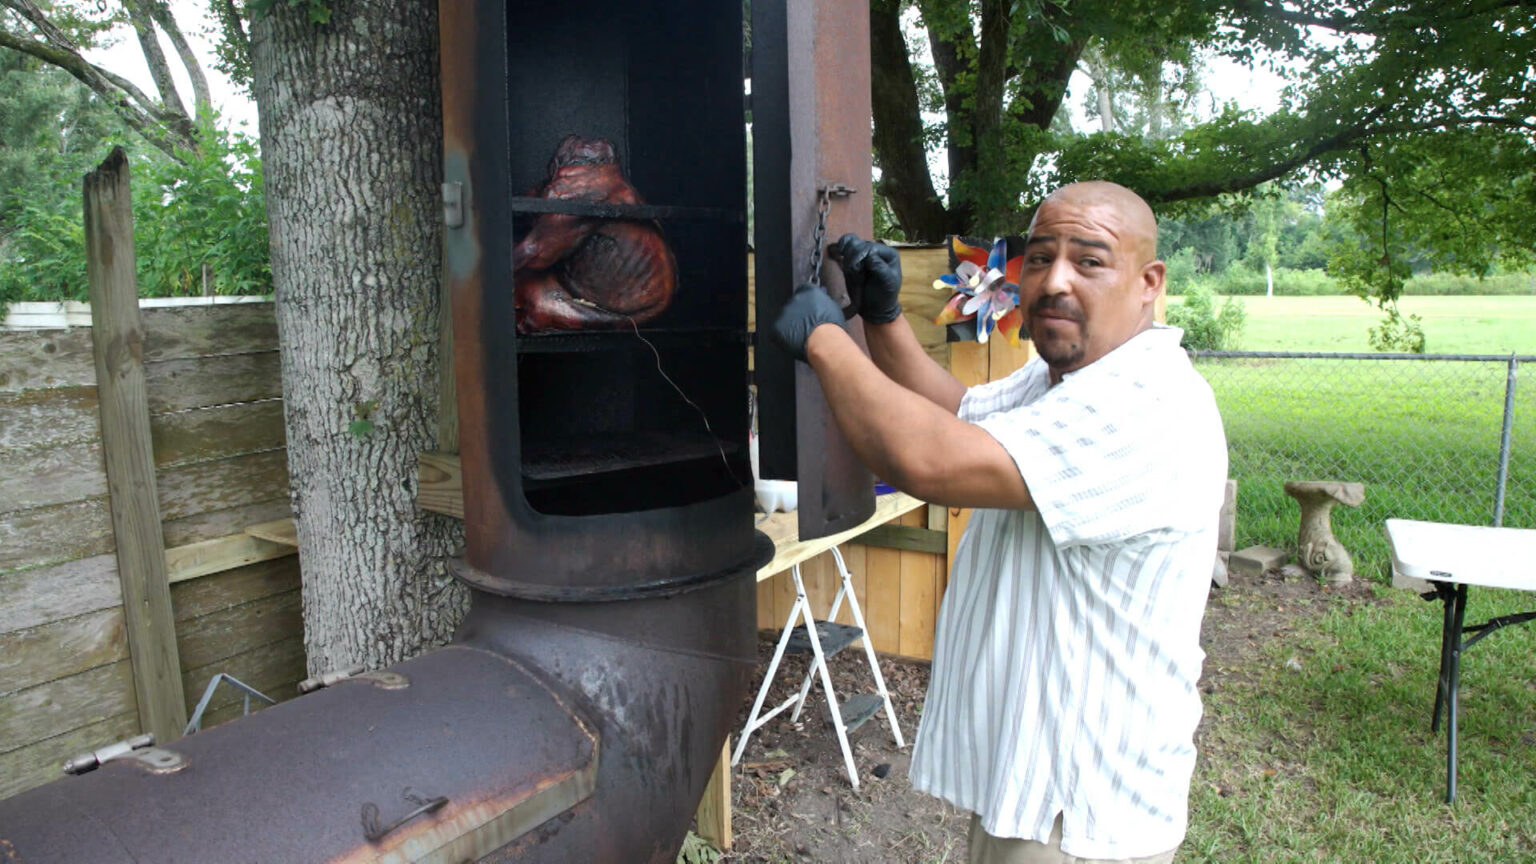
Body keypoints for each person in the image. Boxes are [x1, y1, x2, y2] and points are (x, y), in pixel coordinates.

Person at [770, 181, 1227, 864]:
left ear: (1148, 283)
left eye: (1090, 261)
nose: (1056, 281)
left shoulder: (1147, 402)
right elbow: (957, 414)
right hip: (1038, 785)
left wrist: (827, 343)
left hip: (1081, 813)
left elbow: (931, 458)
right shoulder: (1066, 378)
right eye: (1040, 258)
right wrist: (884, 318)